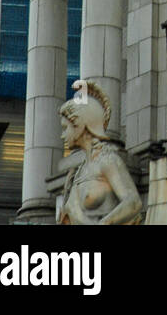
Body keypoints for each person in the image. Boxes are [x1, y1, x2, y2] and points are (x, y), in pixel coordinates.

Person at [57, 80, 143, 225]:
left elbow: (133, 202)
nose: (63, 135)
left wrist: (104, 224)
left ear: (80, 125)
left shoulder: (108, 160)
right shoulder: (77, 173)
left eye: (66, 128)